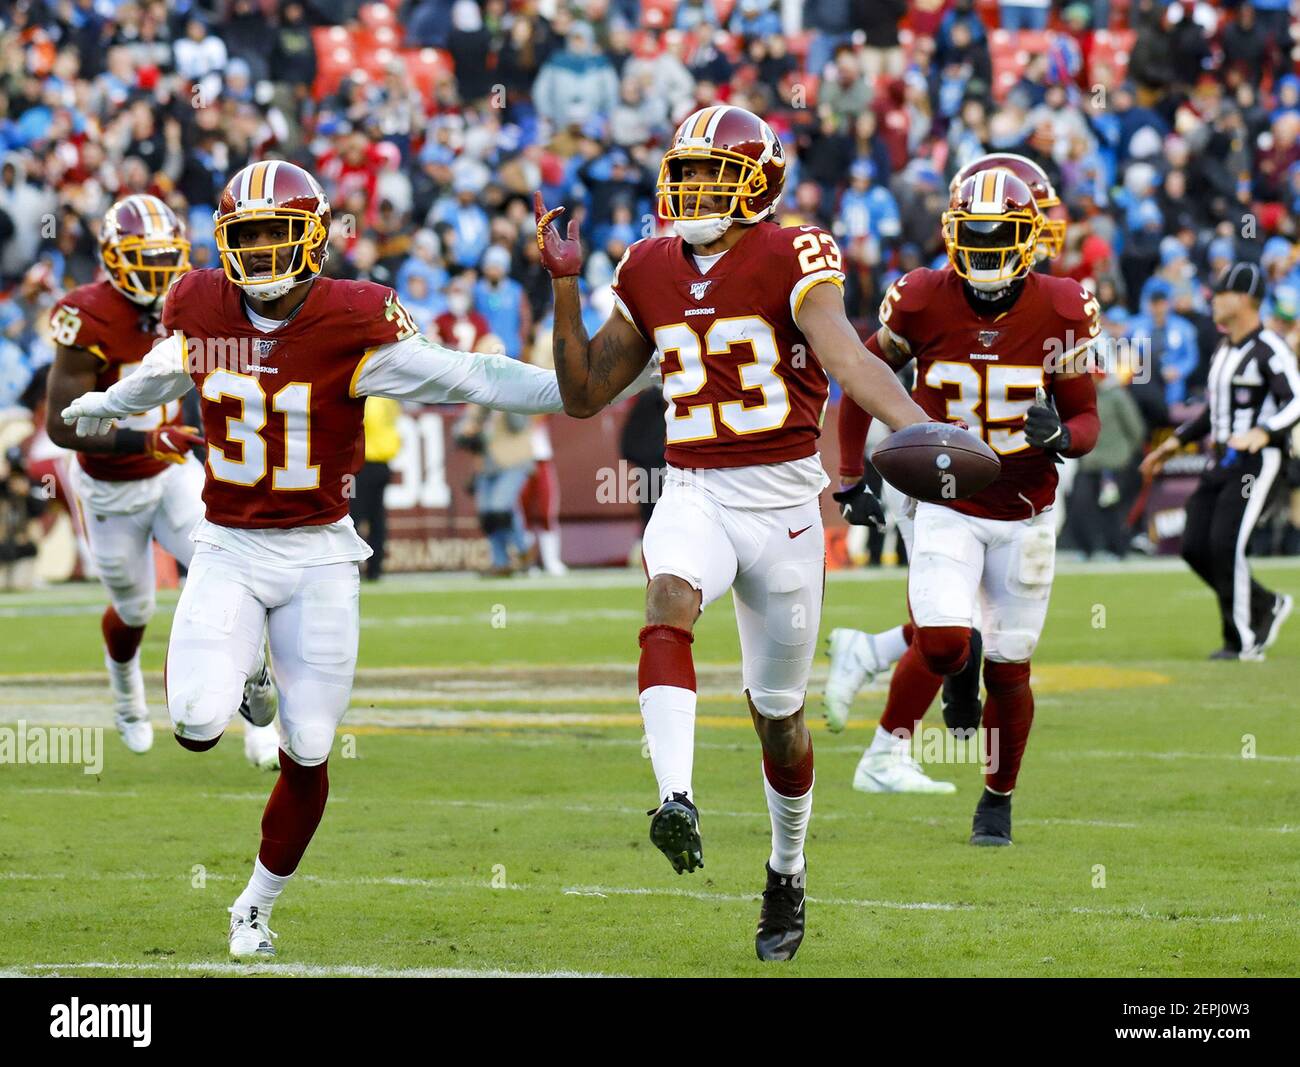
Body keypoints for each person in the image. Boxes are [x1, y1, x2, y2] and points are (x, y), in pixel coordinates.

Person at [61, 161, 576, 959]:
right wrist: (110, 404)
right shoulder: (199, 301)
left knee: (307, 745)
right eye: (249, 236)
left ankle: (254, 906)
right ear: (225, 242)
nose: (263, 252)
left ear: (314, 236)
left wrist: (575, 387)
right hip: (228, 542)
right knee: (198, 723)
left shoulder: (355, 316)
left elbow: (470, 376)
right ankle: (249, 680)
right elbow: (168, 367)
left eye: (277, 233)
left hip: (318, 554)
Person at [535, 105, 930, 961]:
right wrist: (563, 286)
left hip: (786, 506)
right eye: (687, 173)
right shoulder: (645, 265)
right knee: (667, 599)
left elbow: (853, 360)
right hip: (696, 488)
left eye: (716, 174)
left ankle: (786, 868)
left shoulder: (793, 253)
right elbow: (582, 393)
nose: (695, 190)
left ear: (759, 184)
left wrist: (915, 426)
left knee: (778, 718)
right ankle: (675, 795)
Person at [829, 166, 1100, 843]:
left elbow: (1088, 418)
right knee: (947, 639)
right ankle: (952, 670)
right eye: (973, 237)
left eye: (999, 237)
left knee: (1012, 668)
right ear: (951, 234)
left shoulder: (1061, 305)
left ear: (1030, 237)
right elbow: (864, 377)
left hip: (1026, 511)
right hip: (945, 500)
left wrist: (1064, 436)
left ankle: (997, 799)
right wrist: (847, 472)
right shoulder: (921, 298)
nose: (984, 250)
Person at [45, 194, 279, 767]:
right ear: (112, 257)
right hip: (109, 487)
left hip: (176, 472)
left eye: (163, 258)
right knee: (133, 607)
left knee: (229, 579)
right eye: (142, 258)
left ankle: (254, 706)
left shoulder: (195, 298)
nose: (156, 272)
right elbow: (60, 426)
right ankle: (127, 694)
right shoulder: (87, 315)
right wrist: (143, 438)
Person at [1140, 262, 1299, 659]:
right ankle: (1266, 604)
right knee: (1195, 546)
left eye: (1222, 293)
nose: (1213, 300)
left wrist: (1265, 432)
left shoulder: (1269, 347)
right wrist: (1174, 443)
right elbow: (1214, 412)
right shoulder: (1225, 348)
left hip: (1255, 461)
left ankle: (1242, 639)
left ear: (1244, 299)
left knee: (1225, 544)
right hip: (1219, 460)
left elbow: (1296, 400)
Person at [350, 396, 400, 582]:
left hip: (362, 464)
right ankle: (375, 569)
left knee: (352, 515)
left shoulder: (369, 399)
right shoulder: (388, 398)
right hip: (382, 464)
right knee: (377, 518)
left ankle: (351, 567)